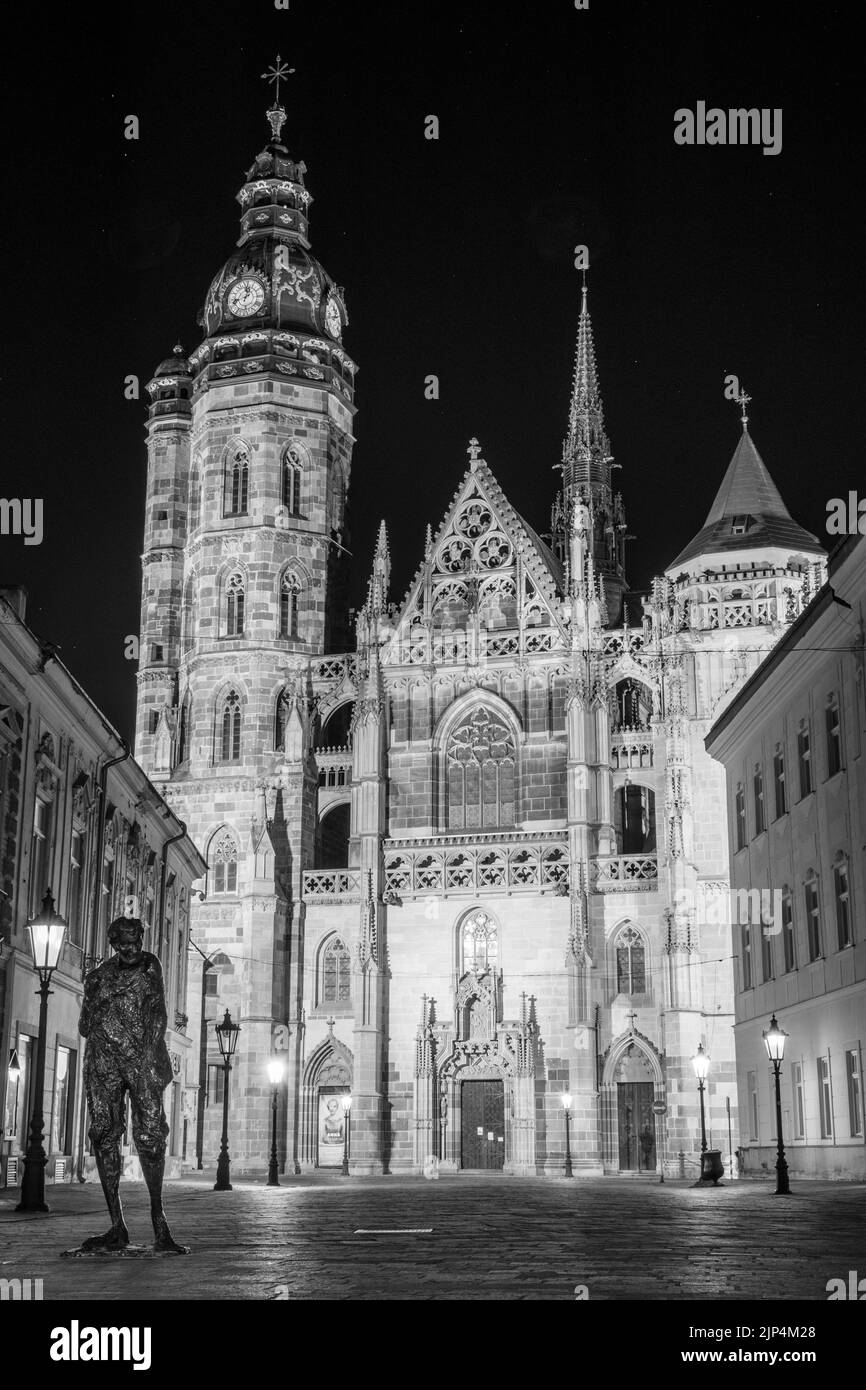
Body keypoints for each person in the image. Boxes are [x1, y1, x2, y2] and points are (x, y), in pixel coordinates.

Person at [72, 916, 187, 1254]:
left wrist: (147, 1052)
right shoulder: (98, 978)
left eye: (136, 942)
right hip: (104, 1059)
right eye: (125, 944)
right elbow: (83, 1026)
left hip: (141, 1058)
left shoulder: (150, 967)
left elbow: (159, 1013)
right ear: (114, 944)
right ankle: (116, 1226)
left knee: (151, 1134)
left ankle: (159, 1220)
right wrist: (99, 1001)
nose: (132, 949)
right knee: (105, 1134)